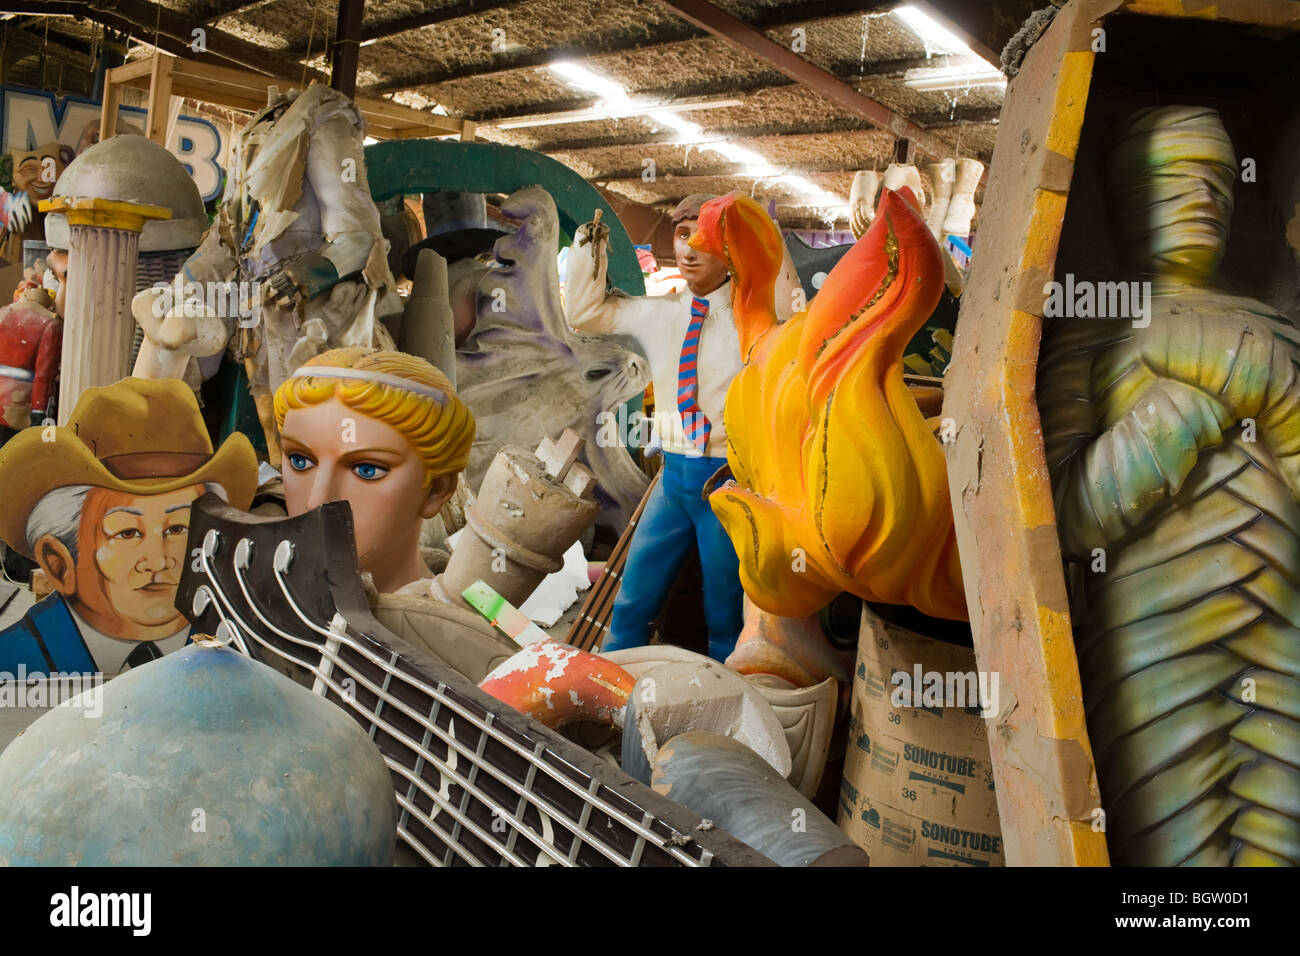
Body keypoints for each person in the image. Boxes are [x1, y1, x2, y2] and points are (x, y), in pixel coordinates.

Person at [564, 195, 801, 661]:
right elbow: (584, 314)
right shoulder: (660, 313)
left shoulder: (754, 315)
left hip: (727, 480)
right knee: (633, 599)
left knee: (726, 609)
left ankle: (724, 693)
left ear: (731, 248)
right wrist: (587, 249)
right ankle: (607, 683)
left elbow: (795, 314)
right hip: (672, 479)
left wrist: (764, 233)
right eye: (682, 233)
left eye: (706, 236)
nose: (690, 248)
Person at [273, 347, 518, 681]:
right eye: (300, 461)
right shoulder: (256, 593)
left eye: (367, 469)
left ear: (436, 491)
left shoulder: (492, 612)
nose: (318, 501)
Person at [0, 378, 258, 675]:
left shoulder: (245, 654)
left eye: (178, 529)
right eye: (127, 532)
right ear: (58, 562)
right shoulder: (14, 666)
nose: (158, 560)